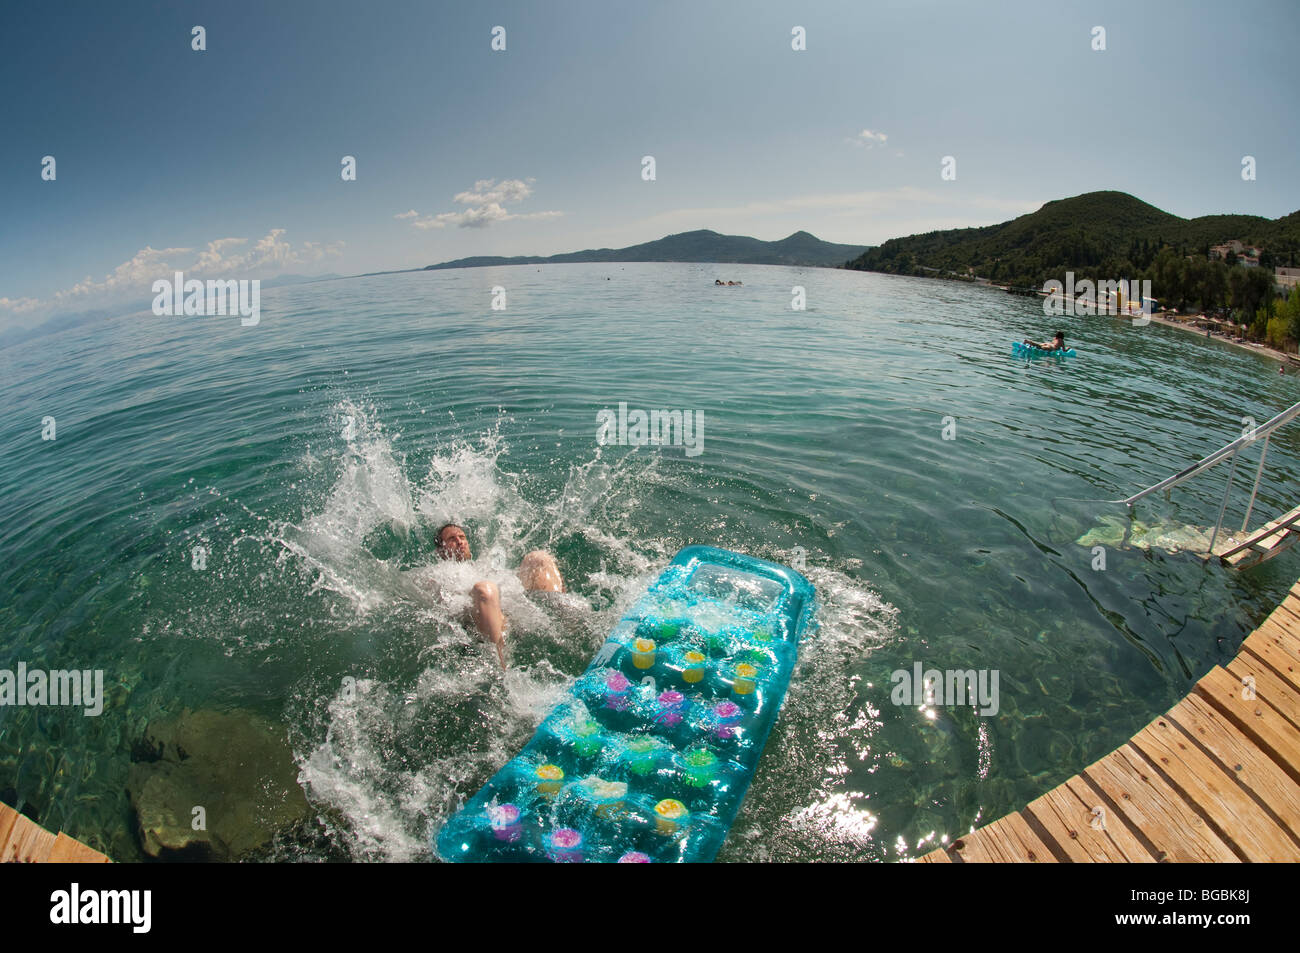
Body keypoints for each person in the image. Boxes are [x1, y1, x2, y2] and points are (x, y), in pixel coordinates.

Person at [433, 523, 565, 669]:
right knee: (485, 588)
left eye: (462, 537)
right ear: (441, 551)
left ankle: (566, 628)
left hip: (510, 615)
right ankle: (502, 672)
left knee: (539, 558)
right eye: (452, 539)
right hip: (477, 624)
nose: (459, 541)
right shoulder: (439, 574)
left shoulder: (482, 566)